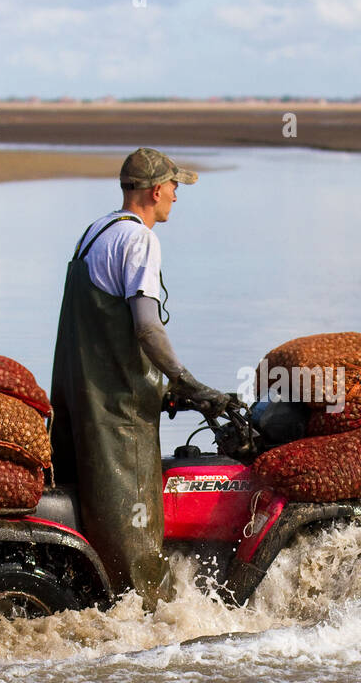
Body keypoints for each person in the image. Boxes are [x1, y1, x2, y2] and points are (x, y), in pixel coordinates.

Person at [49, 147, 230, 597]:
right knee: (137, 538)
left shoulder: (95, 232)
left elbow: (101, 334)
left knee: (94, 518)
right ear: (154, 190)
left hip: (77, 403)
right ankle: (148, 625)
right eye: (173, 186)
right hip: (118, 415)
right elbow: (147, 328)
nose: (175, 194)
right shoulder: (140, 240)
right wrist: (187, 380)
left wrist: (165, 389)